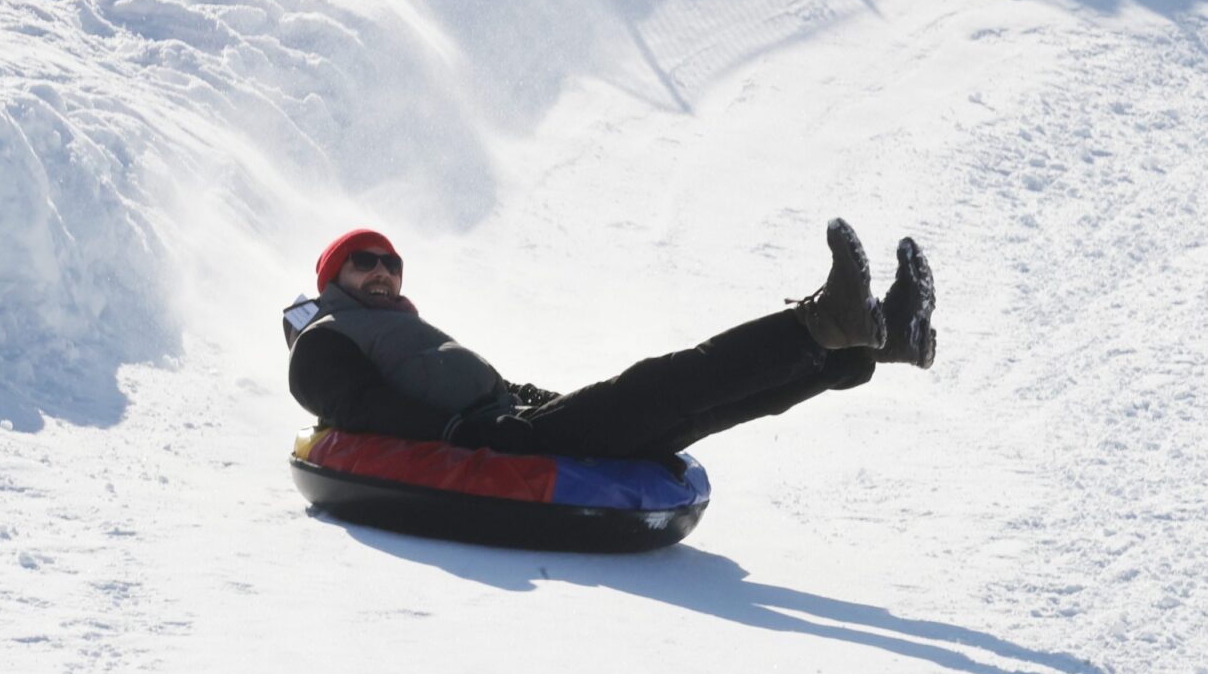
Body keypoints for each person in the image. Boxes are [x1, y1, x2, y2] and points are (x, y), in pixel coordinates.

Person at [285, 220, 935, 461]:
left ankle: (868, 343)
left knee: (708, 404)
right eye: (363, 260)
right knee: (675, 381)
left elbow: (489, 384)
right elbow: (360, 407)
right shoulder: (324, 336)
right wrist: (460, 433)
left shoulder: (400, 328)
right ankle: (828, 322)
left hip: (513, 418)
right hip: (500, 441)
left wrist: (540, 399)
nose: (381, 271)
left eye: (391, 263)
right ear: (332, 279)